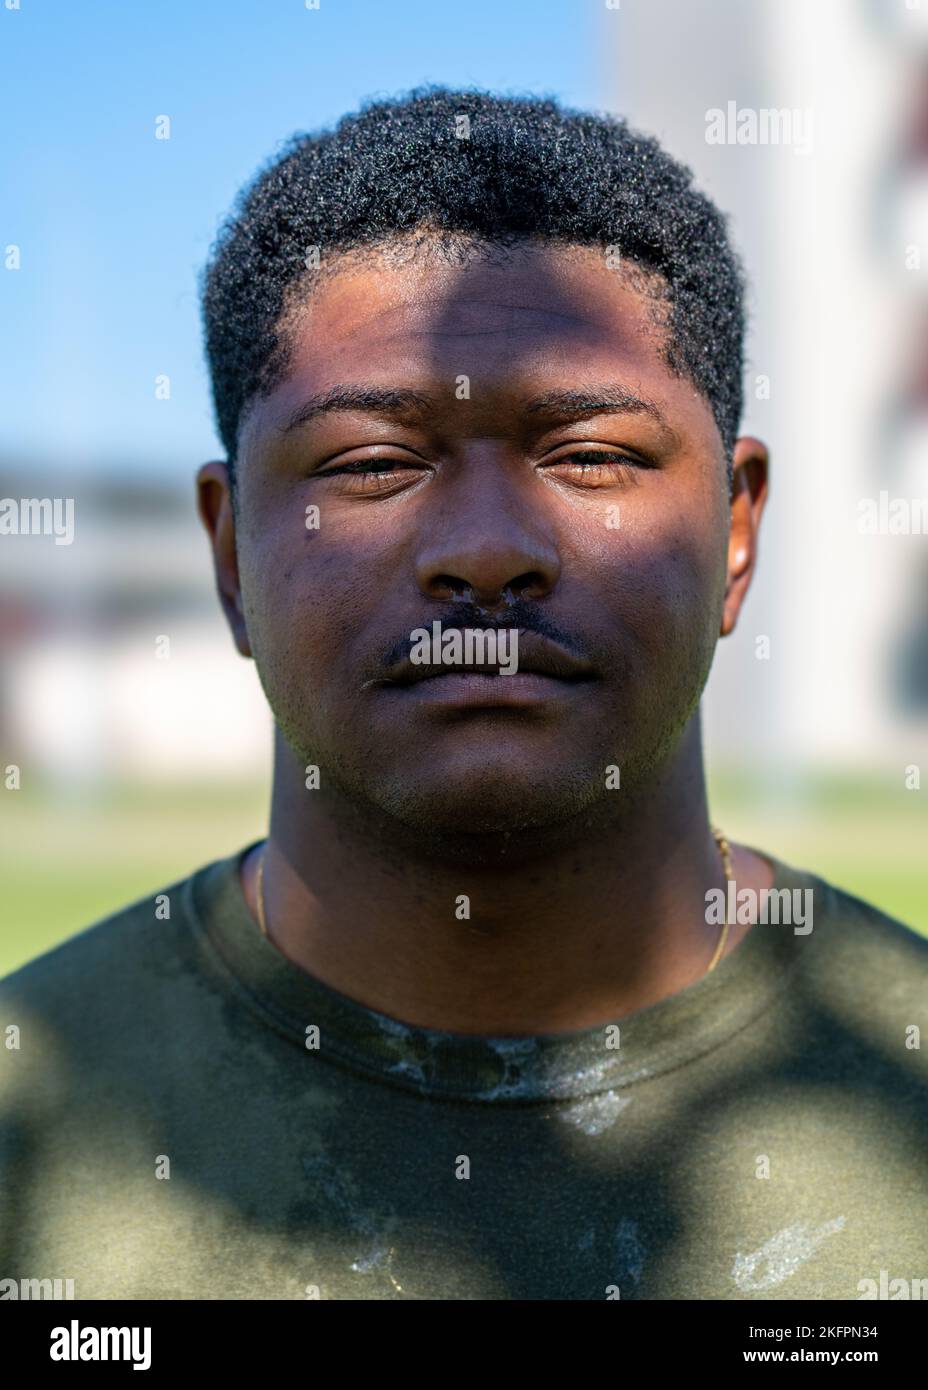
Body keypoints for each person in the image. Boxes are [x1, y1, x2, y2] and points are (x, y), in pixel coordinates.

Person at [2, 87, 926, 1302]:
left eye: (591, 452)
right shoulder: (35, 1118)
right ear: (230, 555)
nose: (487, 548)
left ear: (736, 532)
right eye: (372, 464)